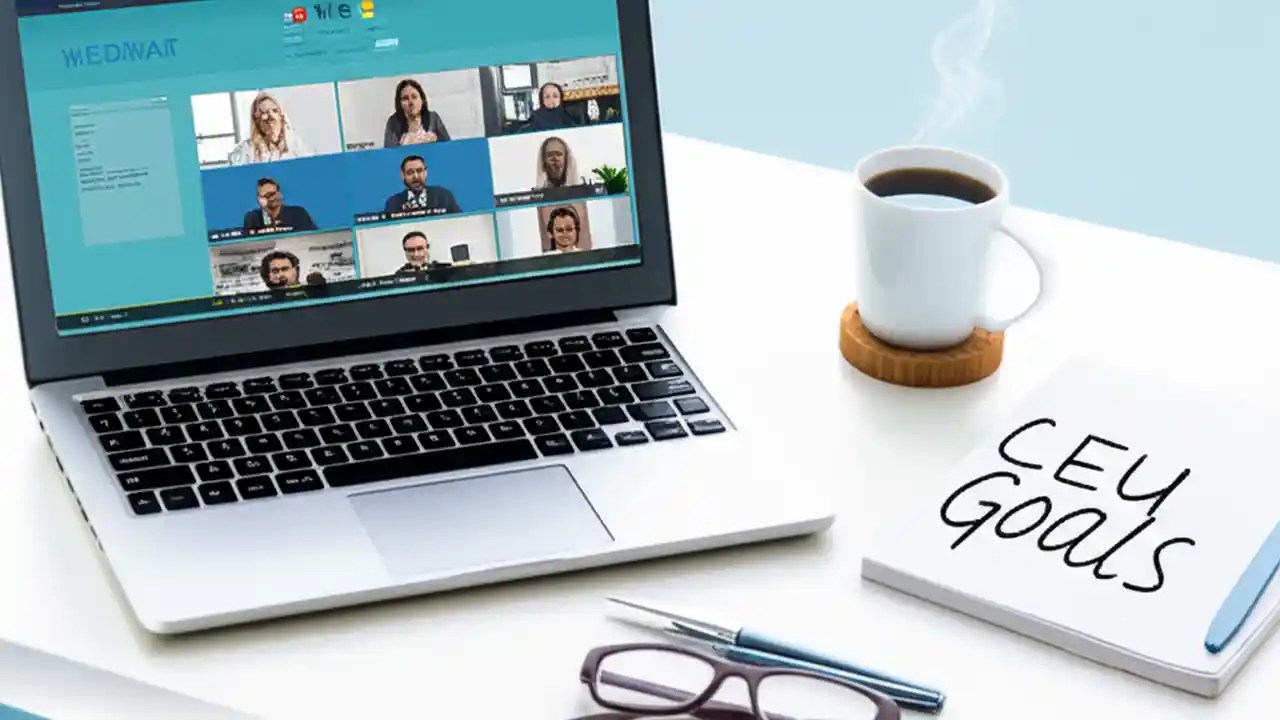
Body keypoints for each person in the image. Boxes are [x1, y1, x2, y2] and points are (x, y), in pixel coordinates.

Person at [228, 92, 315, 165]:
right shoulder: (245, 151)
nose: (271, 117)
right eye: (264, 113)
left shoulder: (296, 145)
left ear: (282, 116)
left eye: (275, 110)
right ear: (257, 121)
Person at [383, 79, 450, 148]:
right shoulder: (393, 122)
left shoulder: (433, 118)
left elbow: (448, 147)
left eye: (414, 97)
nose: (411, 102)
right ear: (399, 104)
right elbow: (389, 153)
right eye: (405, 98)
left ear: (422, 100)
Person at [384, 155, 461, 215]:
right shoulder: (393, 203)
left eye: (419, 171)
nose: (416, 176)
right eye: (410, 172)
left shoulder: (444, 196)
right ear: (402, 175)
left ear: (426, 172)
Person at [243, 178, 318, 233]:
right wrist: (264, 210)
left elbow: (312, 237)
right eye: (267, 196)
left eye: (273, 194)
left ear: (280, 193)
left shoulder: (298, 213)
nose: (271, 198)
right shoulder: (252, 218)